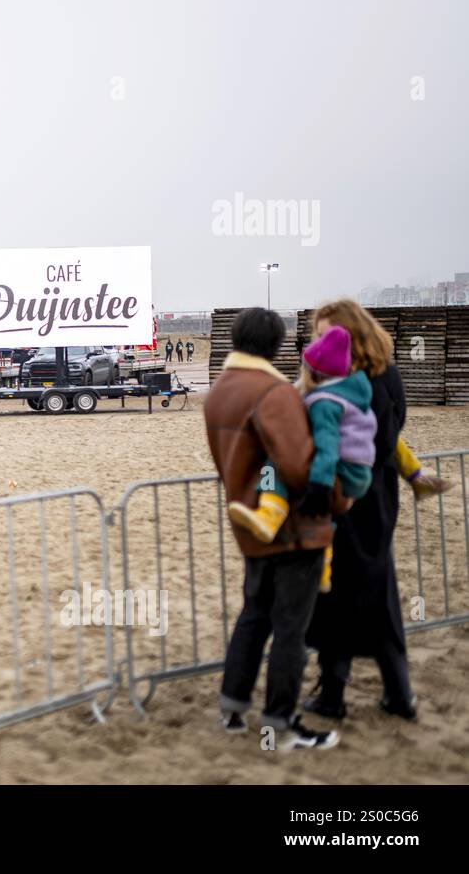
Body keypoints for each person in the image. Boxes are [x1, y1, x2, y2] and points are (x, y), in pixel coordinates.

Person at [204, 306, 339, 750]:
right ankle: (279, 722)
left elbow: (244, 463)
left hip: (249, 523)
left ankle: (231, 709)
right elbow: (297, 467)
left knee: (253, 616)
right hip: (294, 527)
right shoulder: (273, 392)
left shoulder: (218, 393)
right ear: (278, 346)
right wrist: (342, 495)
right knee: (290, 630)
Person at [303, 299, 417, 722]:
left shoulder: (356, 381)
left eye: (325, 333)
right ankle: (399, 692)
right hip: (380, 497)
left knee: (338, 598)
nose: (318, 341)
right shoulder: (386, 374)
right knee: (378, 595)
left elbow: (377, 439)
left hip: (350, 498)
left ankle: (332, 695)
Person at [228, 326, 376, 594]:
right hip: (361, 470)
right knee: (326, 515)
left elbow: (328, 447)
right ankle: (324, 571)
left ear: (316, 370)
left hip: (343, 469)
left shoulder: (325, 402)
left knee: (271, 463)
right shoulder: (354, 392)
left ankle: (269, 513)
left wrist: (319, 484)